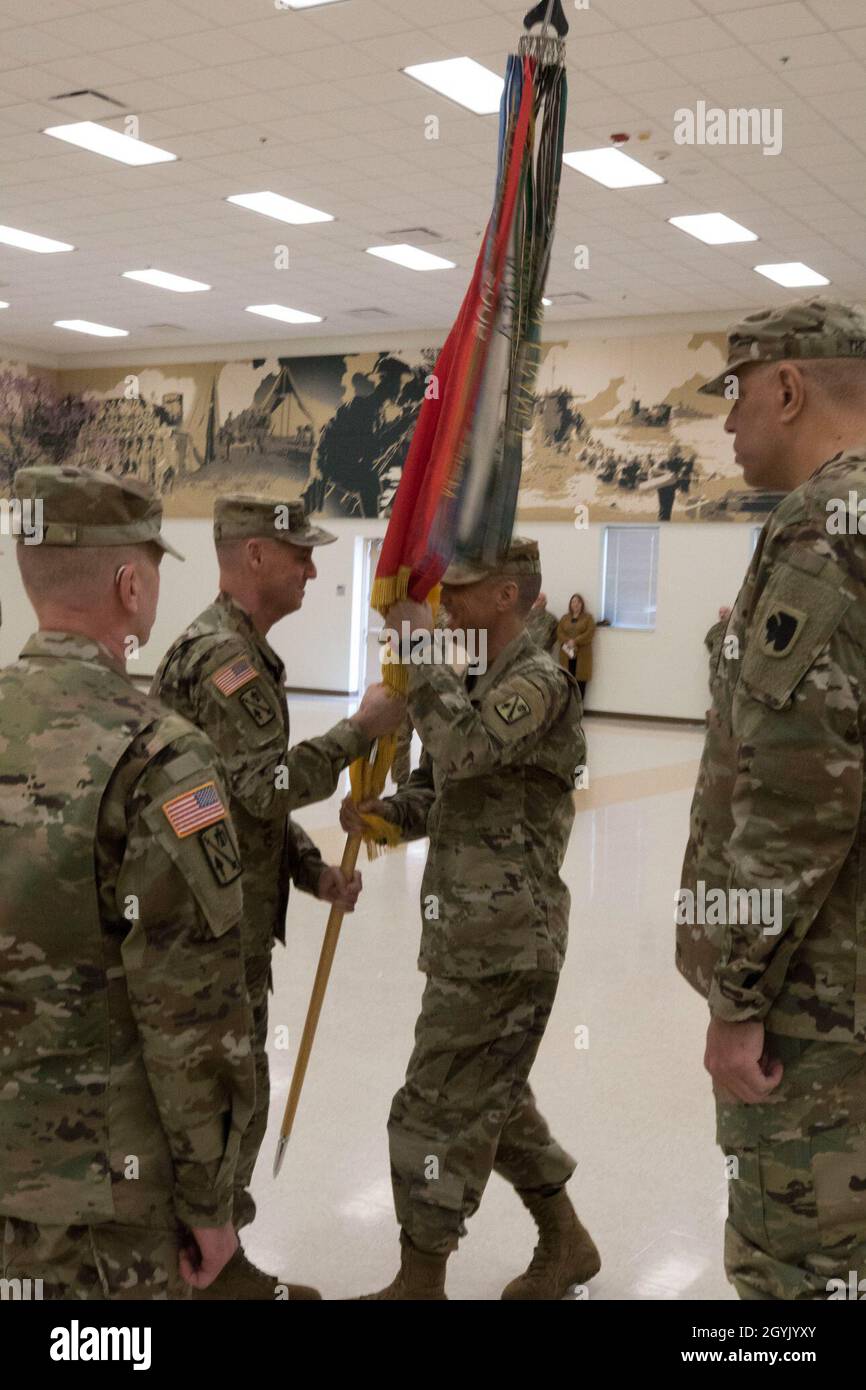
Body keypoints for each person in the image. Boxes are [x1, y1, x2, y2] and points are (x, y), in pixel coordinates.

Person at [0, 465, 255, 1300]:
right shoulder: (162, 756)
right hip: (105, 1187)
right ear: (129, 584)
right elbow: (190, 1009)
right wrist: (211, 1200)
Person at [153, 493, 406, 1298]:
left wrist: (311, 870)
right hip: (212, 933)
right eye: (299, 554)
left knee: (227, 1106)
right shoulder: (226, 662)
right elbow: (260, 787)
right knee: (228, 1109)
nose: (313, 568)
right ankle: (209, 1273)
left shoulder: (231, 649)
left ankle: (207, 1260)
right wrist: (360, 730)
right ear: (254, 556)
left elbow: (222, 804)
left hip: (219, 915)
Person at [341, 538, 599, 1300]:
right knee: (494, 1095)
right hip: (464, 933)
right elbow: (440, 787)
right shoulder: (467, 675)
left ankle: (420, 1280)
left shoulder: (540, 680)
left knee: (430, 1107)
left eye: (463, 590)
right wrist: (383, 816)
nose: (446, 600)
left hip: (510, 937)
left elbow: (470, 746)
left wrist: (417, 651)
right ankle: (568, 1241)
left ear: (509, 597)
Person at [676, 297, 866, 1300]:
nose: (726, 421)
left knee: (793, 1260)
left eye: (736, 393)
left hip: (822, 1000)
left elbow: (801, 796)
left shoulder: (820, 530)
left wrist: (737, 999)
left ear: (787, 387)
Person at [557, 594, 595, 701]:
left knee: (580, 683)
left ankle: (578, 708)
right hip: (566, 654)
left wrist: (575, 641)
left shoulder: (588, 618)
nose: (575, 604)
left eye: (578, 602)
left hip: (582, 656)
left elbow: (590, 633)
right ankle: (568, 709)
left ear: (582, 604)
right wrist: (567, 641)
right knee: (567, 681)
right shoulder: (565, 618)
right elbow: (559, 632)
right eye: (573, 602)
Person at [525, 590, 559, 654]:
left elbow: (555, 635)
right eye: (536, 599)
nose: (536, 601)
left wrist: (547, 645)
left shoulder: (551, 618)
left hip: (543, 653)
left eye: (539, 599)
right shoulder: (526, 615)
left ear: (545, 602)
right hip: (527, 651)